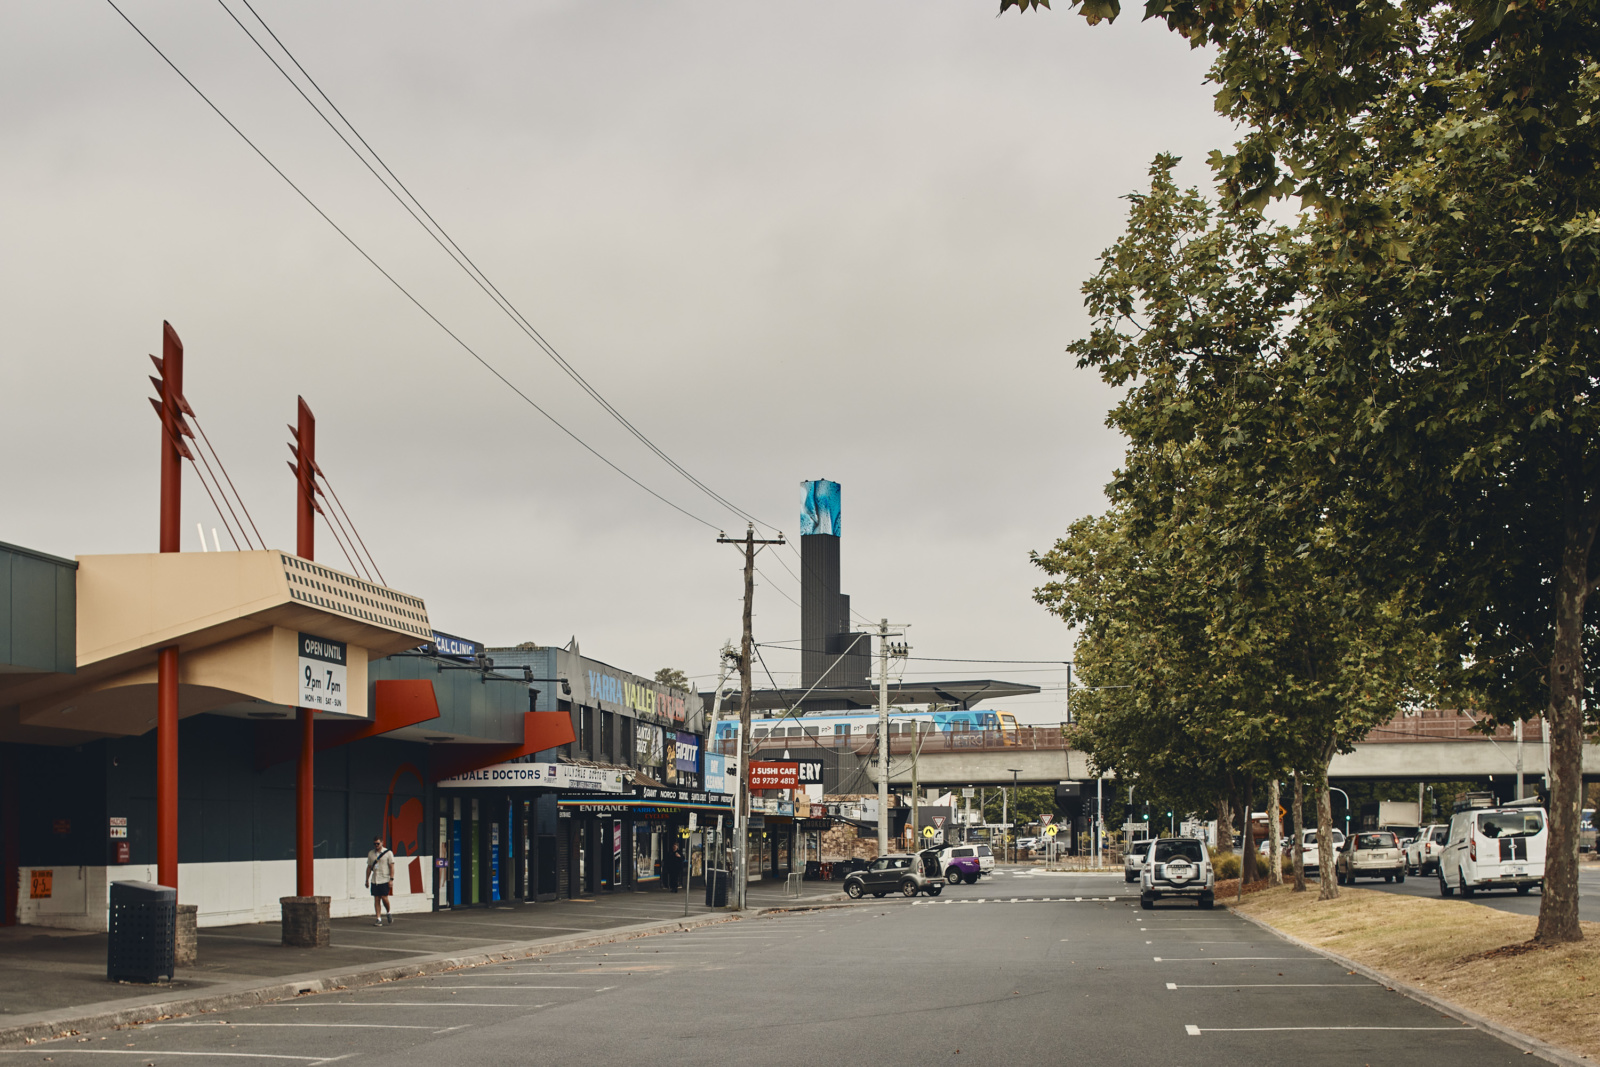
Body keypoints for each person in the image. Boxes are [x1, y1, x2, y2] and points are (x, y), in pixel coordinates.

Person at [366, 836, 395, 925]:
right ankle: (378, 918)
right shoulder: (371, 853)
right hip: (375, 879)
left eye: (378, 843)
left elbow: (391, 866)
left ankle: (388, 912)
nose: (376, 845)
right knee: (376, 898)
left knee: (384, 897)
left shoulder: (388, 853)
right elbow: (369, 867)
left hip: (384, 878)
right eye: (374, 844)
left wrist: (391, 879)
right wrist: (366, 879)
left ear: (382, 843)